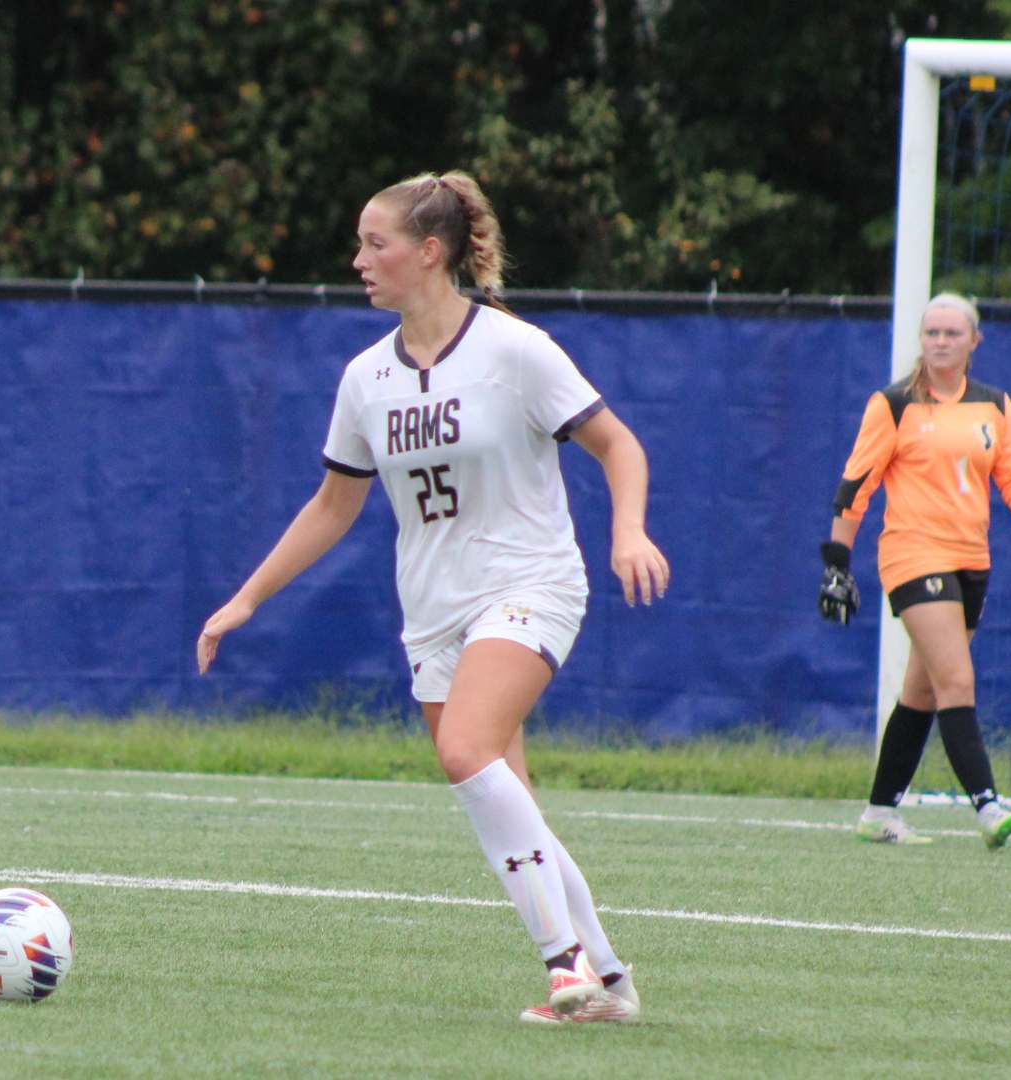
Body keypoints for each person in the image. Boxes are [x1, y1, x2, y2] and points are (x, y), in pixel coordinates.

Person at [196, 171, 670, 1023]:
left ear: (430, 251)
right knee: (503, 795)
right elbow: (333, 504)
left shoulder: (514, 350)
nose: (359, 261)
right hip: (433, 614)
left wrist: (628, 530)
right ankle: (611, 984)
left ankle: (564, 967)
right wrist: (247, 599)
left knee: (465, 749)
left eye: (375, 244)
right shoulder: (365, 378)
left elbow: (618, 444)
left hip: (531, 585)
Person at [819, 293, 1011, 848]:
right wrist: (837, 565)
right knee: (956, 679)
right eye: (931, 331)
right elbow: (854, 489)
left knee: (925, 692)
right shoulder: (894, 404)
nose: (939, 341)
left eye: (952, 333)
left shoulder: (994, 405)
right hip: (913, 555)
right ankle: (987, 806)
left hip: (971, 560)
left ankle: (878, 812)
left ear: (973, 342)